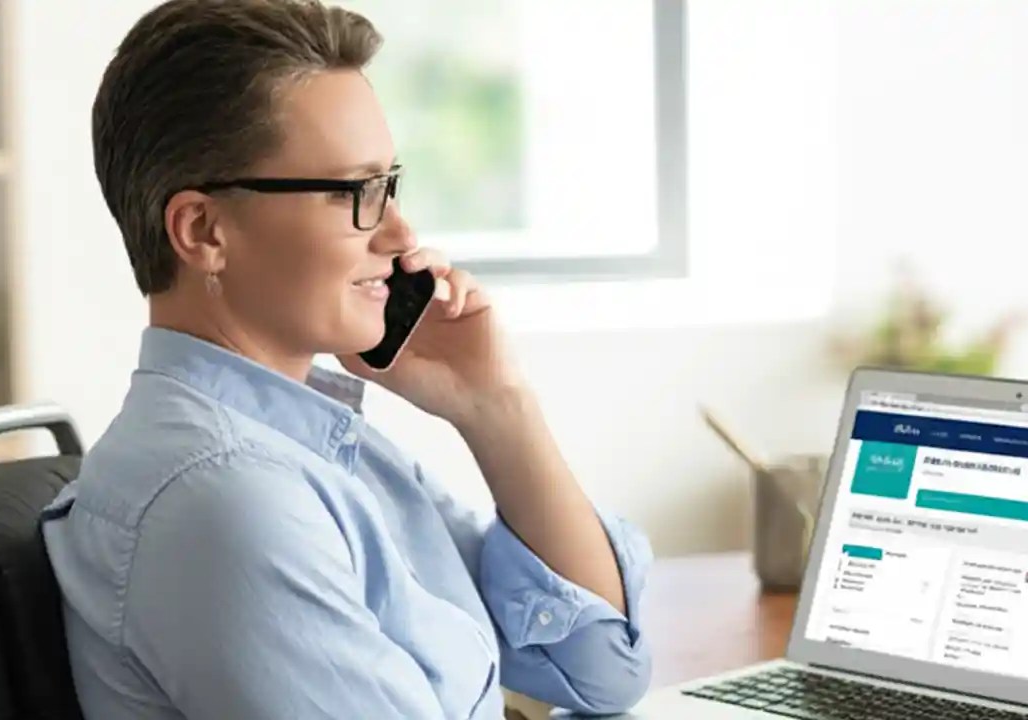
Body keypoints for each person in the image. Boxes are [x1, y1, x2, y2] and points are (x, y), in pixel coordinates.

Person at [40, 1, 653, 717]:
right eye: (351, 192)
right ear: (204, 231)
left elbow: (599, 669)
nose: (400, 233)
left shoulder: (319, 447)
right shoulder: (228, 504)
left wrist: (497, 407)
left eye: (388, 184)